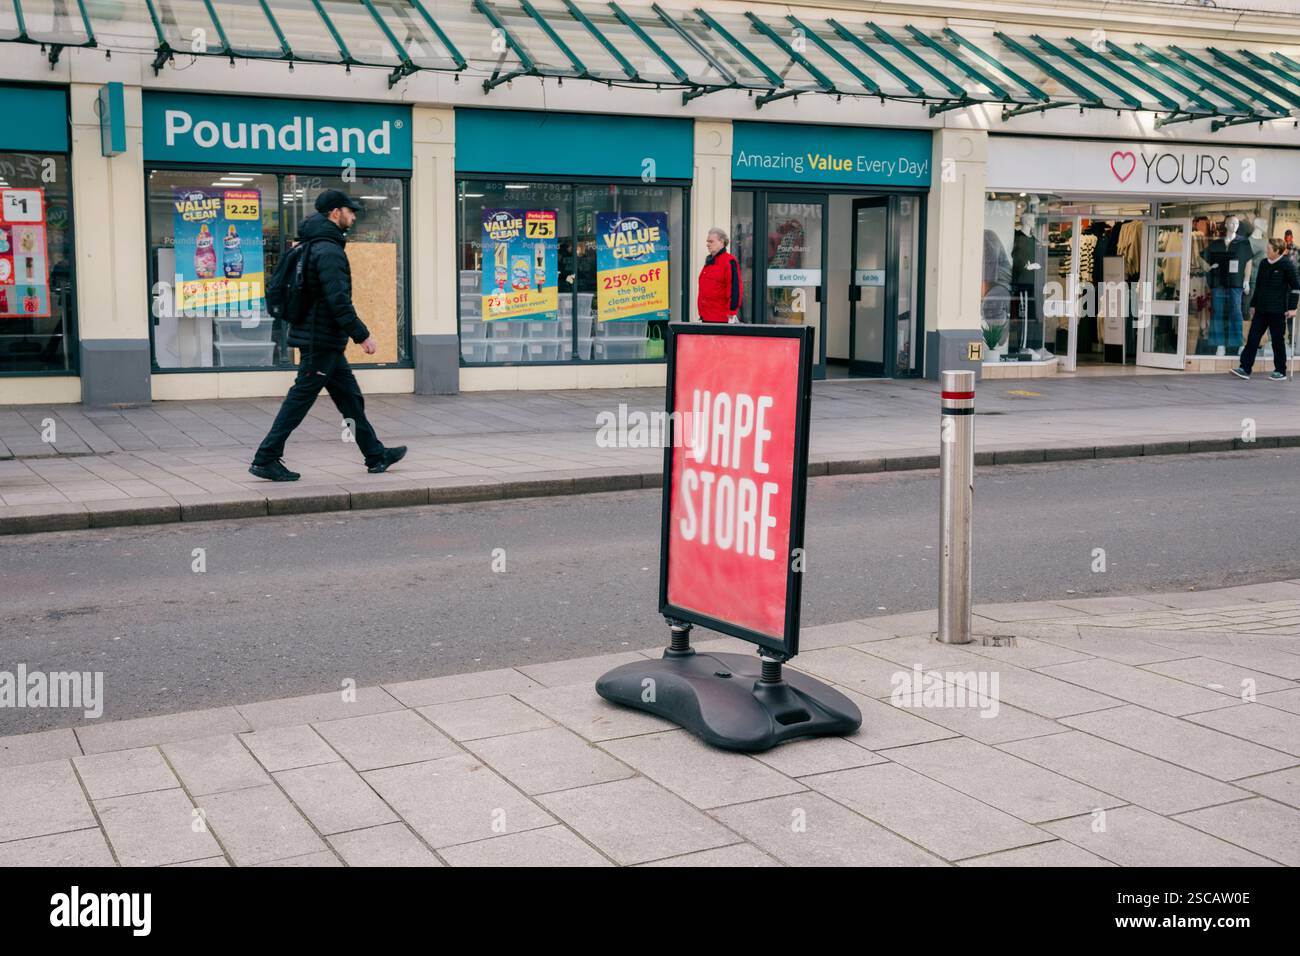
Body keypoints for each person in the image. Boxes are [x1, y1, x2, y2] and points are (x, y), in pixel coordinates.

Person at [250, 189, 406, 481]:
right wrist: (362, 335)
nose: (354, 215)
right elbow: (337, 299)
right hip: (319, 341)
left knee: (350, 399)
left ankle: (375, 454)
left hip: (325, 341)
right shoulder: (328, 250)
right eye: (350, 210)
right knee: (299, 400)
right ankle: (265, 458)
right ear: (336, 213)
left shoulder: (312, 245)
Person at [1232, 238, 1299, 381]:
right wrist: (1253, 304)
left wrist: (1293, 308)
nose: (1267, 250)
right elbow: (1259, 286)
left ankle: (1280, 370)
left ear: (1277, 251)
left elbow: (1296, 287)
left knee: (1277, 341)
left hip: (1278, 310)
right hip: (1261, 310)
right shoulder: (1263, 263)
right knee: (1253, 339)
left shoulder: (1286, 264)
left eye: (1269, 249)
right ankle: (1245, 368)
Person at [697, 226, 742, 323]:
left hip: (721, 320)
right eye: (707, 241)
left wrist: (732, 312)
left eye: (711, 241)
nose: (707, 244)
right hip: (706, 317)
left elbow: (735, 289)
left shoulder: (729, 261)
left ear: (721, 242)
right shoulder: (710, 262)